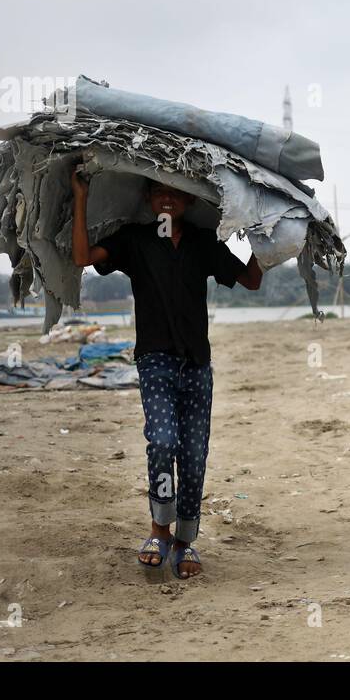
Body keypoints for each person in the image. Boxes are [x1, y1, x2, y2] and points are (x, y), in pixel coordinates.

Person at [70, 169, 263, 579]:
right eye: (158, 192)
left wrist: (260, 230)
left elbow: (250, 280)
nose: (167, 199)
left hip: (196, 363)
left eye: (176, 193)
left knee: (194, 455)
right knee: (161, 441)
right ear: (147, 199)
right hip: (155, 360)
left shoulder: (202, 244)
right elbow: (83, 259)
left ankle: (185, 541)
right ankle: (159, 529)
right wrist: (80, 196)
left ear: (191, 201)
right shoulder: (134, 240)